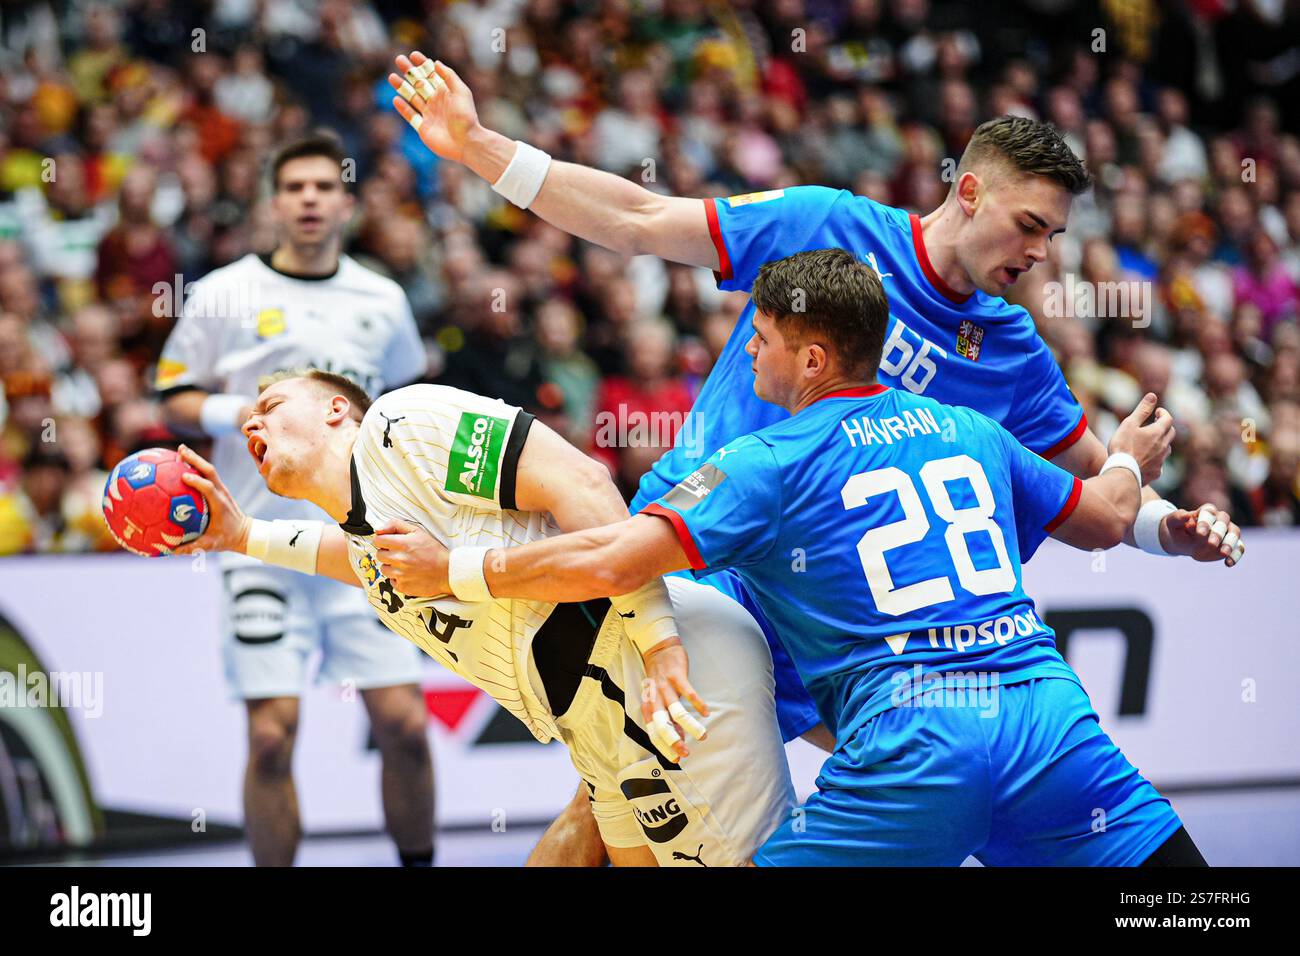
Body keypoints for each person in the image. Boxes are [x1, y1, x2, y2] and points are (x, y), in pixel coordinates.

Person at [386, 51, 1245, 858]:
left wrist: (1178, 529)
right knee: (625, 805)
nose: (1040, 254)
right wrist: (478, 147)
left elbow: (1098, 490)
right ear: (971, 191)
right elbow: (641, 218)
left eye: (1055, 236)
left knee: (923, 791)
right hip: (705, 575)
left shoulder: (1010, 348)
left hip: (850, 626)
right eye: (1030, 225)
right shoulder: (826, 227)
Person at [167, 369, 795, 867]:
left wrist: (661, 646)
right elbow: (343, 557)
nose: (252, 417)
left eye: (273, 404)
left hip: (659, 671)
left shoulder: (396, 427)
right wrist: (242, 535)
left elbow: (582, 482)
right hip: (598, 717)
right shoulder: (368, 534)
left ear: (336, 410)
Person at [154, 133, 435, 867]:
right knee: (271, 737)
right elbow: (172, 399)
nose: (310, 198)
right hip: (257, 544)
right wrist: (242, 412)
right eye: (294, 187)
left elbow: (403, 401)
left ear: (346, 202)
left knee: (405, 725)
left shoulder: (382, 299)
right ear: (273, 203)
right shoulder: (223, 292)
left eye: (323, 187)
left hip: (364, 545)